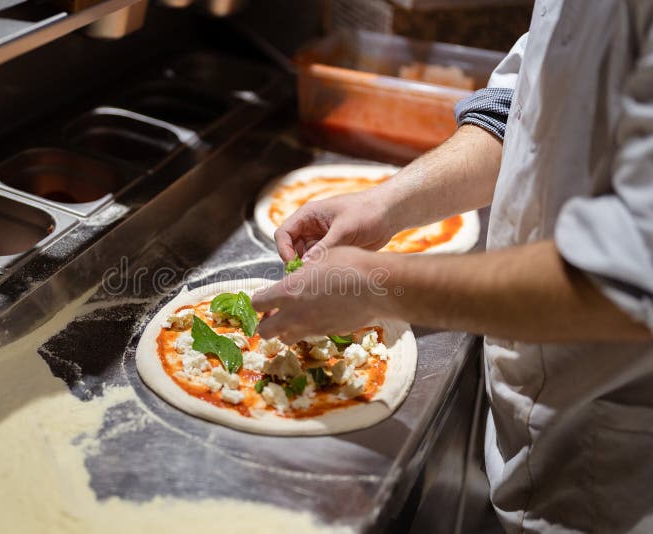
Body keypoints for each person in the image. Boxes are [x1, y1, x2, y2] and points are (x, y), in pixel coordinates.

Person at [252, 2, 653, 532]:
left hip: (619, 462)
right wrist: (386, 204)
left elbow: (629, 275)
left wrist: (378, 285)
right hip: (545, 414)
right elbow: (520, 110)